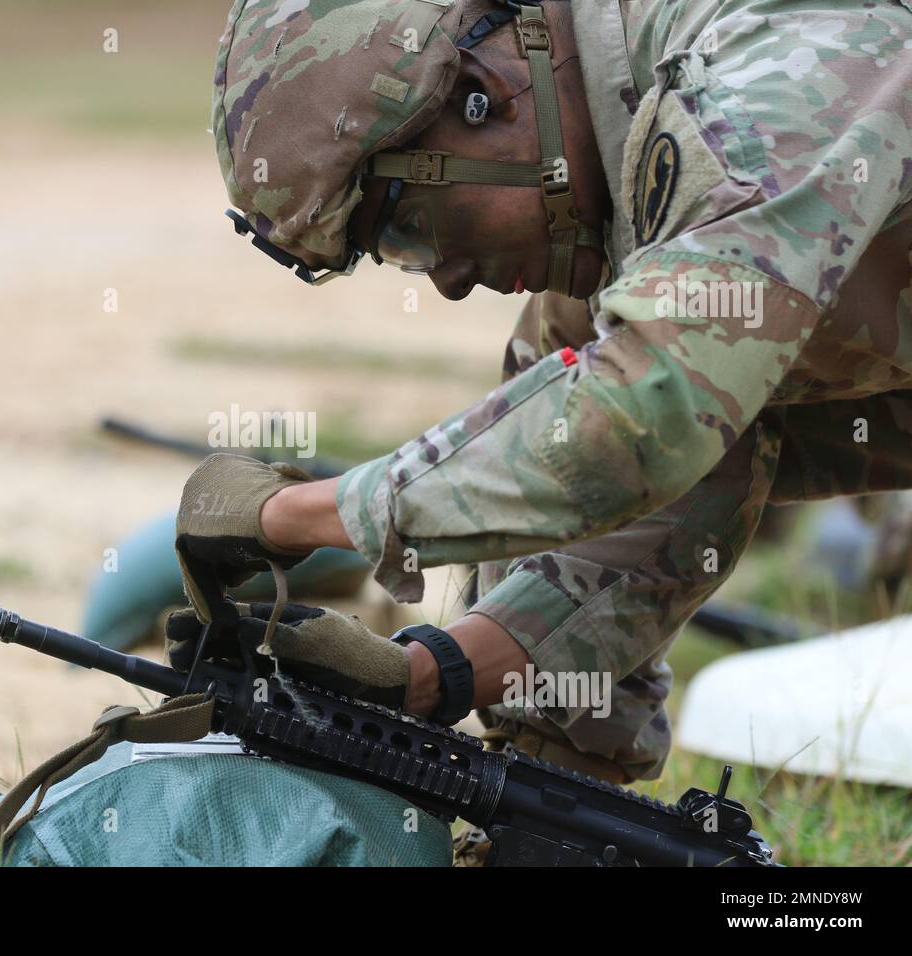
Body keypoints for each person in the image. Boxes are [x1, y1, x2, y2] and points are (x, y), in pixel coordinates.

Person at [174, 0, 912, 786]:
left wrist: (297, 516)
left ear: (485, 91)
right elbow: (653, 458)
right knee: (563, 355)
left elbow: (648, 412)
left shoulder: (778, 61)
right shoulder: (623, 241)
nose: (449, 281)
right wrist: (429, 677)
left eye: (407, 229)